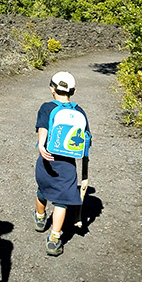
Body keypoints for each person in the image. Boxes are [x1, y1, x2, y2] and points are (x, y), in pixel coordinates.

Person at [34, 70, 92, 257]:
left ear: (52, 88)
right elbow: (87, 137)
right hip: (68, 163)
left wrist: (41, 145)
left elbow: (43, 126)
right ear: (73, 92)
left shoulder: (47, 107)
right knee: (62, 201)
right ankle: (54, 238)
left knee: (43, 189)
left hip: (47, 158)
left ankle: (41, 217)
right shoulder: (79, 110)